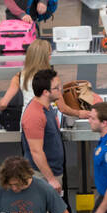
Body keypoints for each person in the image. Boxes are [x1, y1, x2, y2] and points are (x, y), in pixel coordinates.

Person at [22, 69, 65, 197]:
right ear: (46, 92)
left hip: (53, 172)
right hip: (42, 176)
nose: (61, 89)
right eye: (57, 88)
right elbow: (36, 152)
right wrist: (51, 179)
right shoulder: (34, 115)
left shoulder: (47, 105)